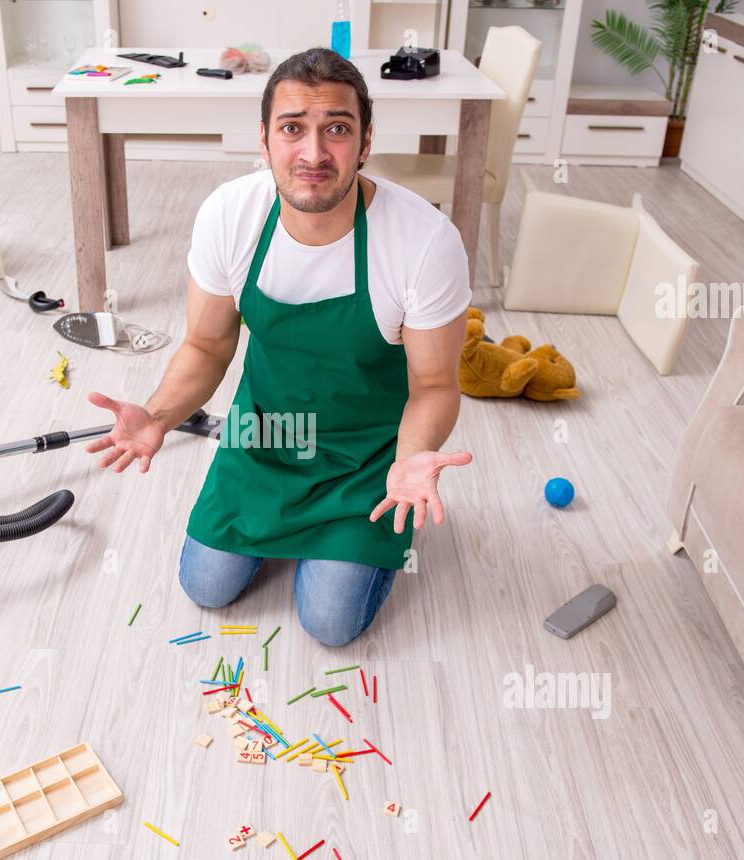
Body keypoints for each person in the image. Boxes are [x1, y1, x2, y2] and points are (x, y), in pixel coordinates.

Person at [85, 48, 473, 646]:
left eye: (336, 130)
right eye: (292, 129)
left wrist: (411, 457)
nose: (313, 154)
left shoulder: (423, 242)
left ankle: (347, 538)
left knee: (330, 624)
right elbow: (208, 345)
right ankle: (294, 532)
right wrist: (159, 414)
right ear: (263, 140)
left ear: (365, 142)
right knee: (206, 586)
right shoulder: (229, 216)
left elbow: (434, 386)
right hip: (264, 435)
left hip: (368, 454)